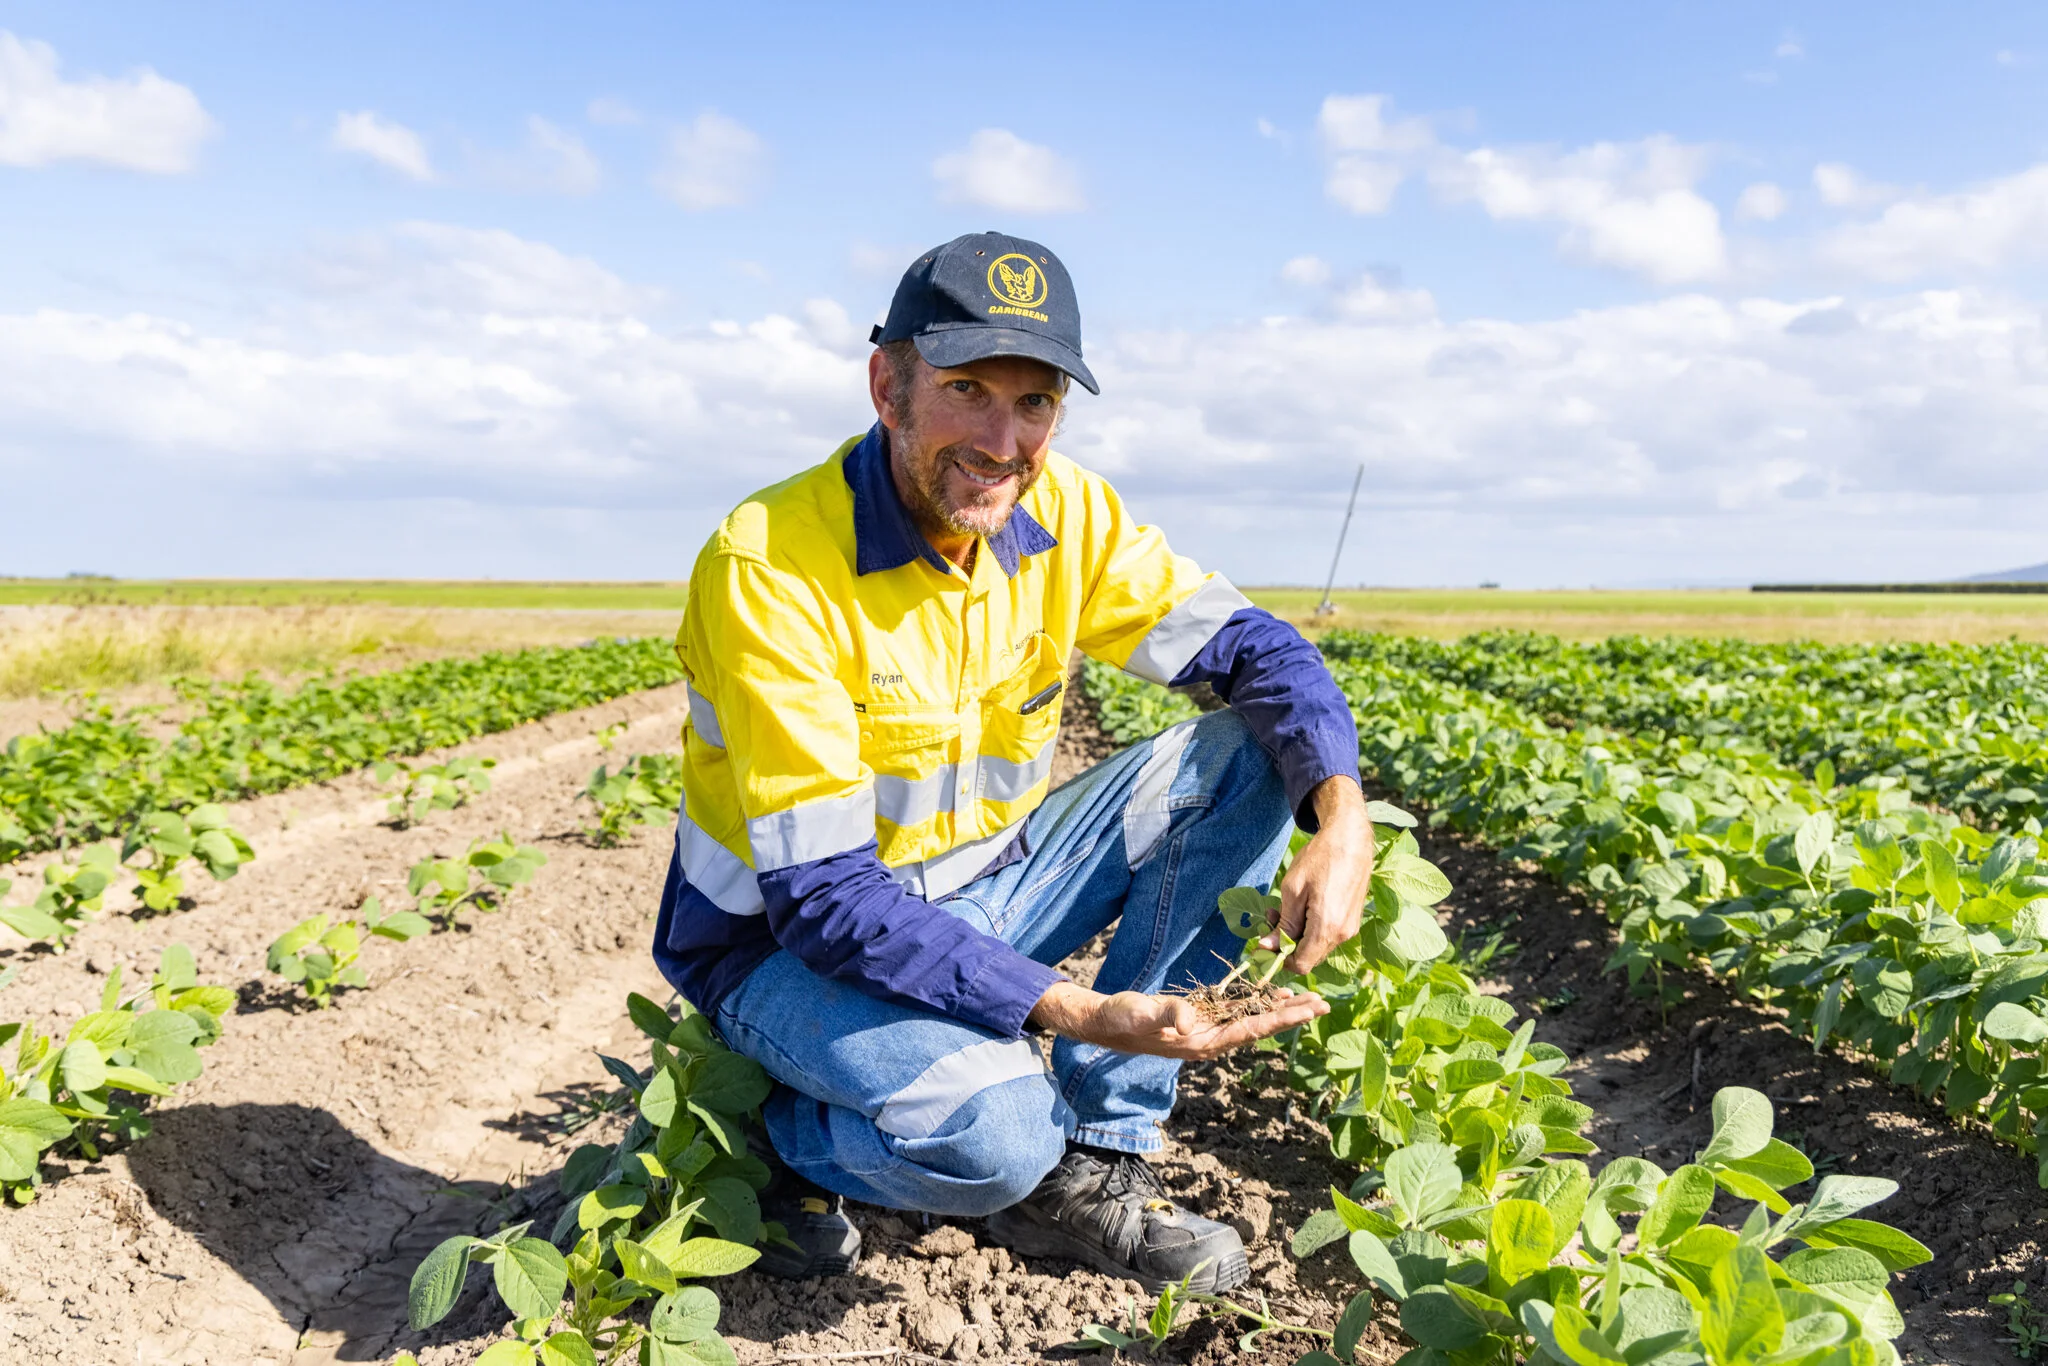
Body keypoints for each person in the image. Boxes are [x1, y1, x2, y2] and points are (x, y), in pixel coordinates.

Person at [652, 231, 1373, 1293]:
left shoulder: (1065, 512)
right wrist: (1071, 1008)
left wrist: (1340, 813)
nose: (1002, 439)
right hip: (782, 949)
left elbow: (1253, 648)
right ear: (886, 387)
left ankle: (1097, 1161)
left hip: (984, 890)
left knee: (1248, 756)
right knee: (994, 1138)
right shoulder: (772, 565)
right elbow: (821, 898)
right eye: (966, 390)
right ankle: (775, 1131)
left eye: (1033, 402)